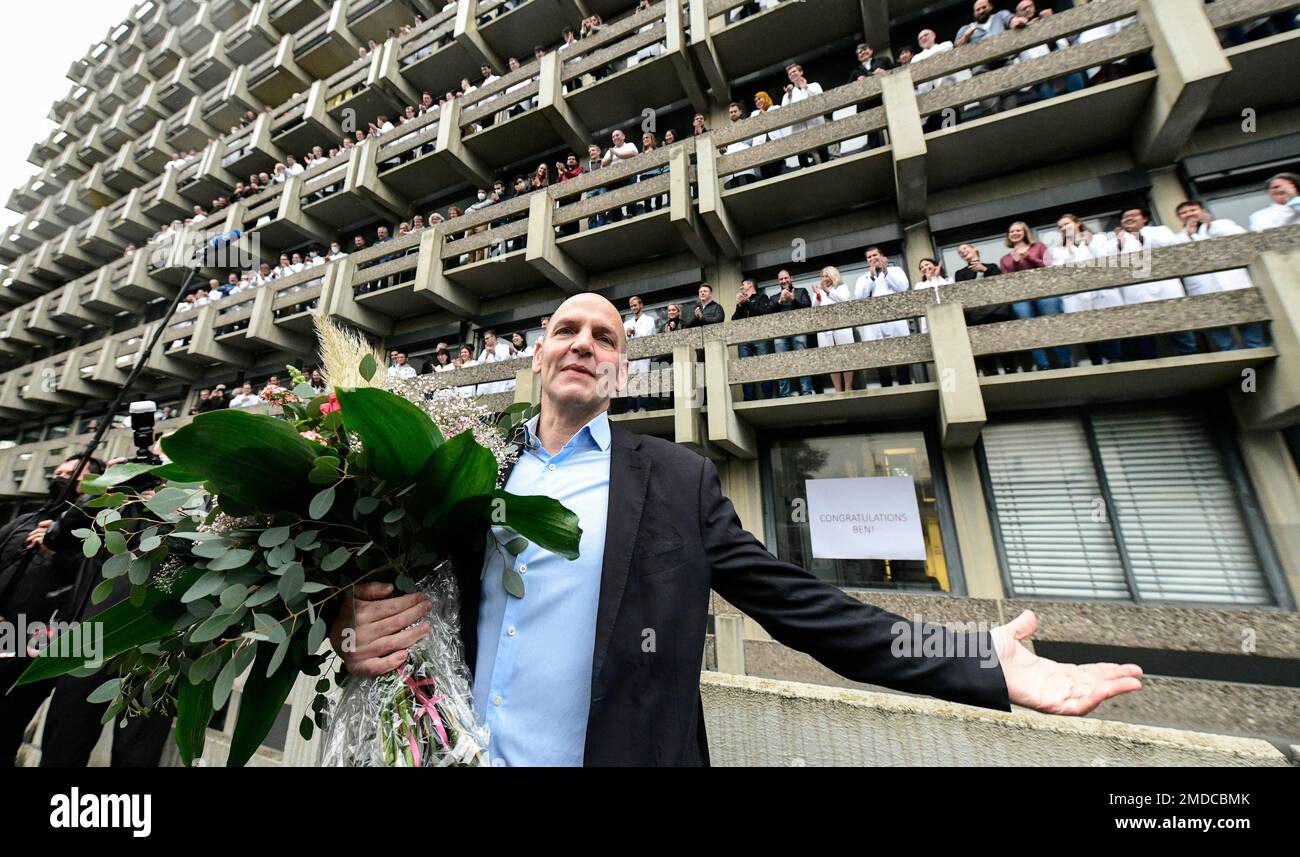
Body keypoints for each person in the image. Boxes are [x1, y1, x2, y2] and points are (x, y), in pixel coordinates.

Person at [327, 292, 1144, 766]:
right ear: (538, 357)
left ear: (621, 371)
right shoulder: (468, 470)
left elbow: (804, 607)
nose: (583, 344)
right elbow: (393, 586)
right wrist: (349, 623)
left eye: (605, 337)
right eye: (567, 331)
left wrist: (976, 657)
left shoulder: (677, 481)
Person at [0, 457, 104, 765]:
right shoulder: (24, 521)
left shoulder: (98, 530)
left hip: (54, 639)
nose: (61, 478)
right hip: (8, 633)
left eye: (70, 474)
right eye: (58, 472)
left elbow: (92, 579)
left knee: (30, 725)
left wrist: (54, 549)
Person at [1173, 200, 1268, 351]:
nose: (1189, 214)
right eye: (1183, 213)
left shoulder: (1221, 225)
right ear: (1179, 217)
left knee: (1250, 327)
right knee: (1221, 335)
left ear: (1202, 210)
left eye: (1192, 210)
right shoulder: (1178, 238)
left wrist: (1210, 225)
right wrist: (1190, 234)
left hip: (1233, 283)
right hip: (1204, 289)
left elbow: (1242, 238)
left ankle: (1259, 354)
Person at [1103, 206, 1189, 359]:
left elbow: (1172, 246)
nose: (1129, 218)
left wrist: (1139, 237)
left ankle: (1191, 359)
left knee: (1181, 333)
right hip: (1136, 295)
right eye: (1125, 217)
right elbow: (1107, 262)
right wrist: (1120, 245)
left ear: (1144, 218)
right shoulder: (1115, 240)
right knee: (1146, 340)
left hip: (1166, 291)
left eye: (1133, 215)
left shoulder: (1159, 231)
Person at [1050, 214, 1123, 365]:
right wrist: (1070, 250)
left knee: (1107, 324)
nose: (1063, 228)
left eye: (1066, 224)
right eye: (1060, 227)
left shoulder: (1098, 239)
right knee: (1088, 328)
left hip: (1099, 289)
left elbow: (1105, 259)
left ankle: (1114, 357)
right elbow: (1060, 271)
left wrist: (1088, 244)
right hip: (1077, 293)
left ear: (1077, 223)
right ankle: (1096, 362)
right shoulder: (1057, 250)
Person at [1001, 221, 1073, 370]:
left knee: (1053, 323)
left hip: (1044, 291)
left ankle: (1065, 362)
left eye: (1018, 230)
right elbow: (1006, 281)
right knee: (1030, 328)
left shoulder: (1039, 247)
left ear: (1025, 232)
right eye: (1012, 231)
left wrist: (1028, 257)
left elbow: (1048, 265)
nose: (1014, 233)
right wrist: (1015, 263)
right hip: (1021, 297)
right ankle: (1043, 365)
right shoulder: (1005, 259)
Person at [854, 248, 912, 387]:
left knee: (901, 356)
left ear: (882, 256)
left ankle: (905, 387)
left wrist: (886, 271)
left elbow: (902, 287)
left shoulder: (895, 270)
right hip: (876, 324)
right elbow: (860, 296)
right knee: (882, 359)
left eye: (874, 255)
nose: (872, 258)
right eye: (869, 257)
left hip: (894, 321)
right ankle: (887, 388)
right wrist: (871, 277)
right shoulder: (863, 278)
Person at [769, 269, 815, 397]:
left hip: (799, 330)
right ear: (778, 281)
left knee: (802, 360)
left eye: (786, 278)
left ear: (791, 278)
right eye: (781, 279)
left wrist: (793, 299)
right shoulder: (774, 297)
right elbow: (768, 313)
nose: (784, 281)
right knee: (782, 362)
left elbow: (808, 307)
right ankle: (784, 394)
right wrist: (780, 302)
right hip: (780, 333)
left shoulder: (801, 291)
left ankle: (806, 392)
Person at [811, 266, 855, 392]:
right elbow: (814, 308)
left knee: (846, 357)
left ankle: (848, 387)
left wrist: (828, 291)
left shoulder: (841, 287)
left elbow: (844, 300)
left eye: (827, 276)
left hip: (841, 328)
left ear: (833, 276)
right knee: (832, 360)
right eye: (822, 276)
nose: (824, 278)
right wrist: (818, 295)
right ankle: (837, 390)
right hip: (826, 330)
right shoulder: (818, 291)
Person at [732, 279, 772, 400]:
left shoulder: (762, 297)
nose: (741, 287)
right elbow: (734, 320)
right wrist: (740, 305)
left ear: (750, 285)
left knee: (763, 365)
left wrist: (747, 303)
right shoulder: (741, 302)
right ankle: (748, 397)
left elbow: (763, 312)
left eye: (743, 285)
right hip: (743, 338)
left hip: (759, 335)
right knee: (745, 367)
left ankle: (767, 396)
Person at [624, 295, 657, 411]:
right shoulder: (627, 323)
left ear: (641, 305)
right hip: (631, 355)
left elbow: (649, 335)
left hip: (644, 355)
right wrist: (628, 334)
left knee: (643, 378)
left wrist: (635, 331)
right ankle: (631, 406)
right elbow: (624, 338)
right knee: (631, 379)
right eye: (631, 306)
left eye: (635, 305)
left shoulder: (649, 320)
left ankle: (643, 405)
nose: (633, 308)